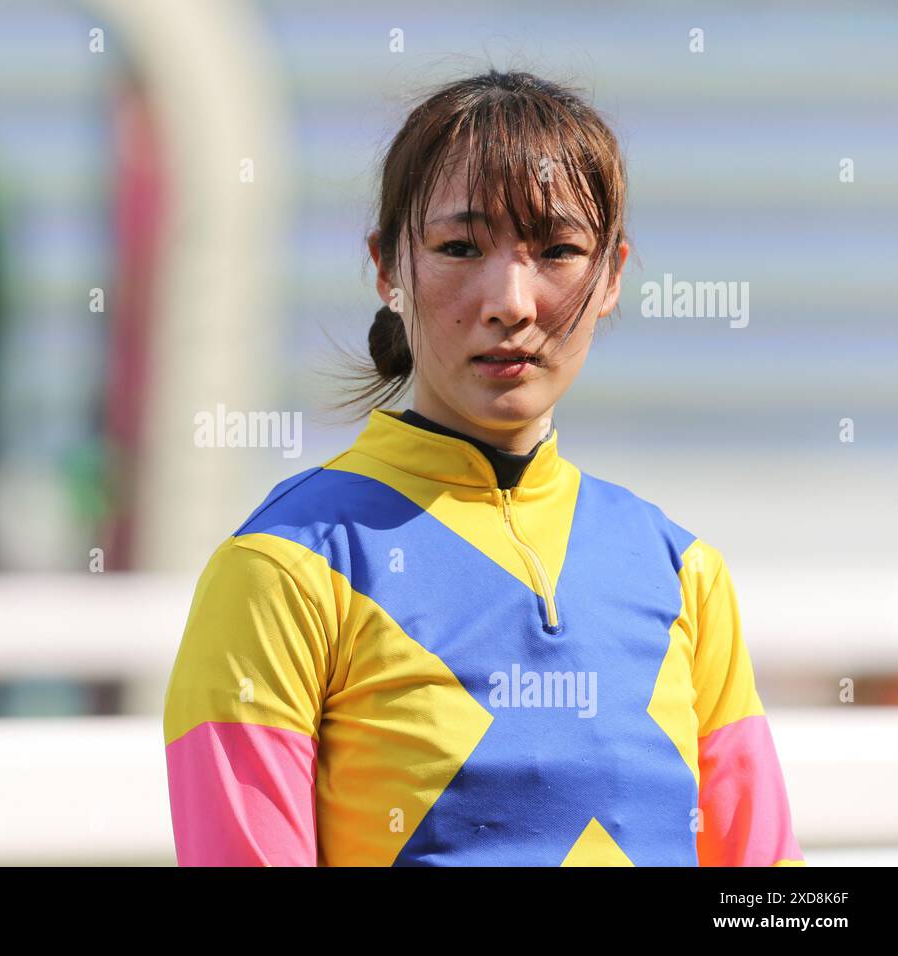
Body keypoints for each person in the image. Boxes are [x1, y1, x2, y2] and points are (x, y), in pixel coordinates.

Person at [162, 69, 805, 866]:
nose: (510, 301)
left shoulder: (683, 573)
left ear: (611, 277)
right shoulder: (281, 569)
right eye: (459, 247)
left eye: (559, 251)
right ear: (388, 268)